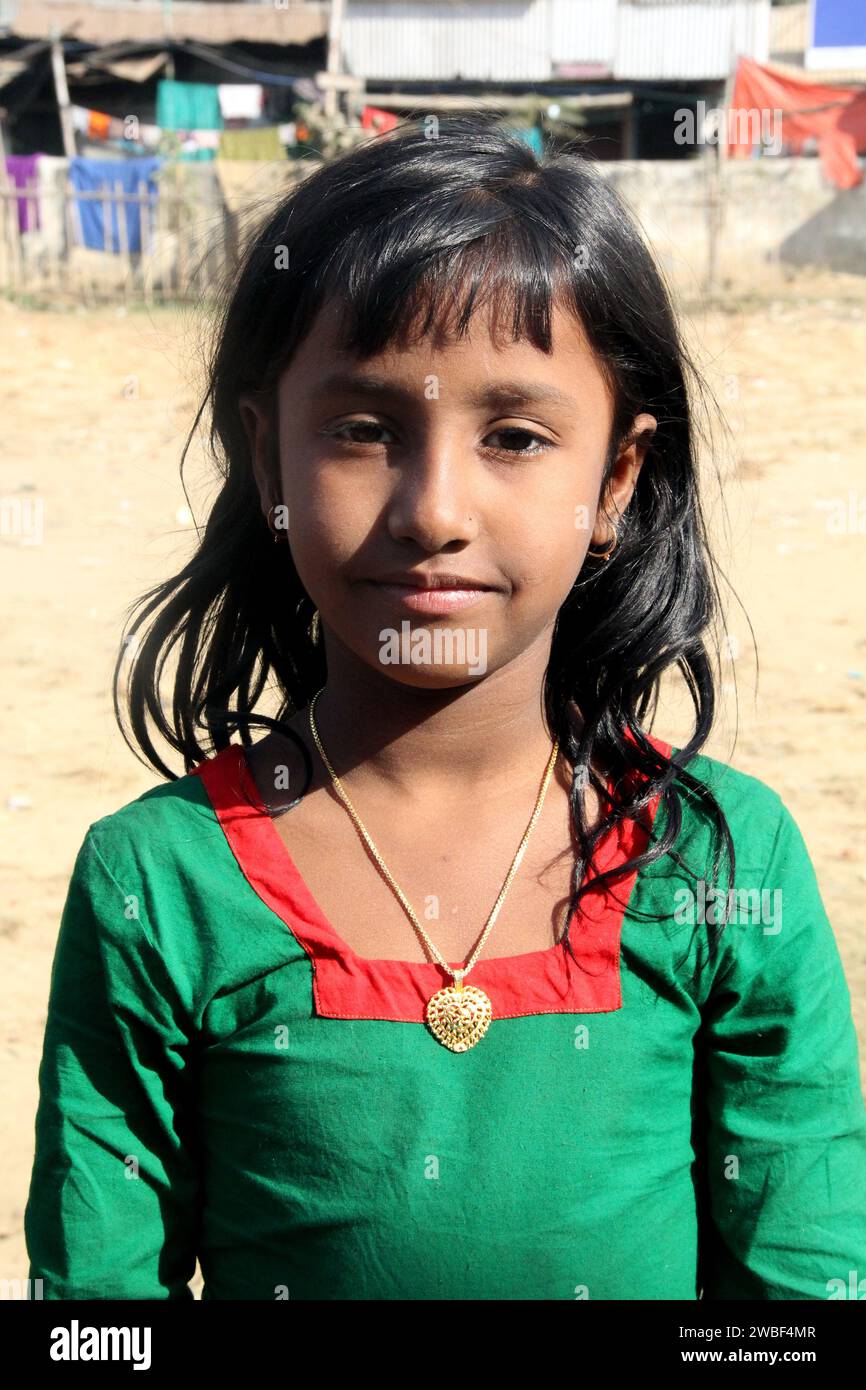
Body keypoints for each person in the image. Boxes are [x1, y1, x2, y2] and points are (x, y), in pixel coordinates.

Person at [24, 117, 866, 1300]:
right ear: (265, 461)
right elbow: (99, 1310)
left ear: (615, 479)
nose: (432, 507)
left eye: (515, 436)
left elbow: (804, 1283)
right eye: (363, 429)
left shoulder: (721, 861)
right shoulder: (157, 881)